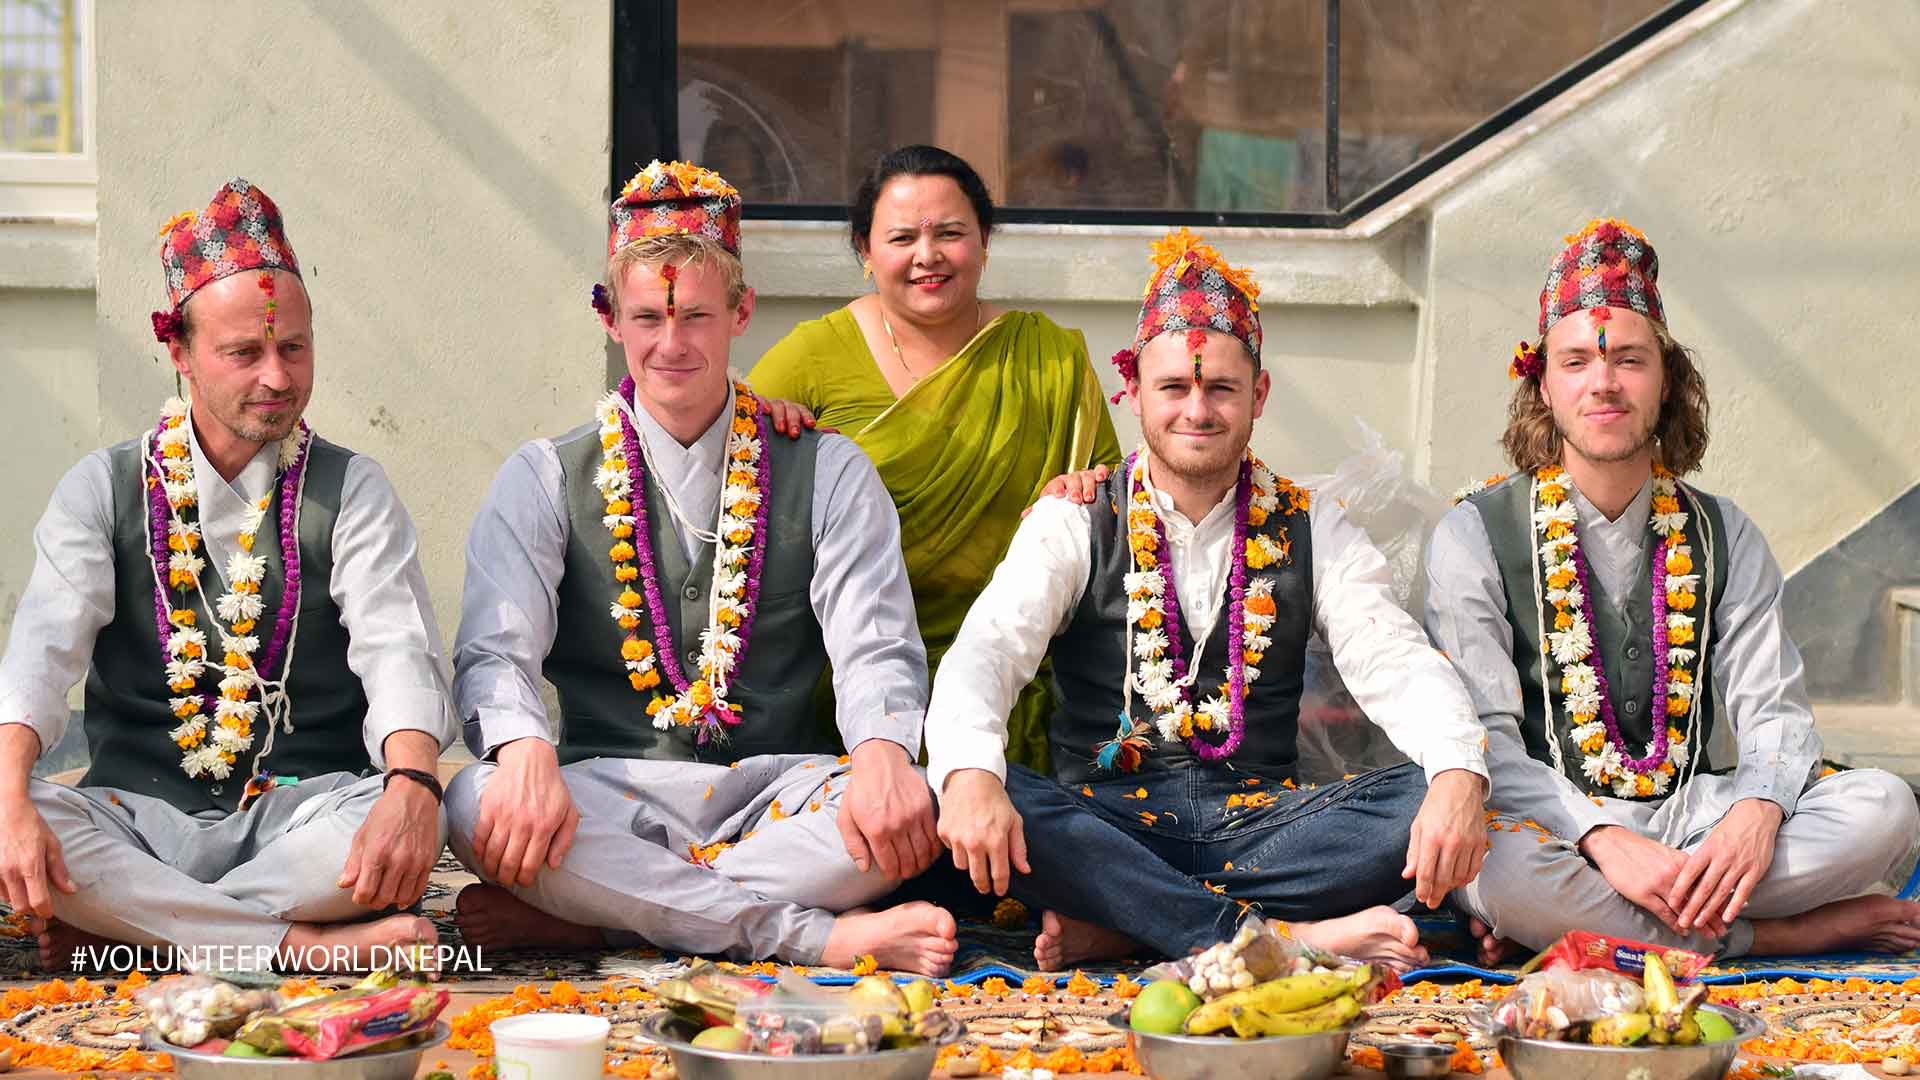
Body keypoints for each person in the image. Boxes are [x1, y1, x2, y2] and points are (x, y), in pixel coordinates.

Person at [926, 228, 1491, 972]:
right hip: (1107, 825)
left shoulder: (1313, 525)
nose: (1197, 409)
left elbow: (1393, 657)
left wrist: (1456, 775)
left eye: (1221, 387)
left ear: (1258, 394)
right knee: (946, 786)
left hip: (1267, 828)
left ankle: (1138, 924)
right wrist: (968, 776)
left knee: (1436, 793)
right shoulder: (1075, 519)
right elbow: (990, 650)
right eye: (1174, 388)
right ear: (1132, 391)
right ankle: (1286, 940)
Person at [445, 160, 958, 975]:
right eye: (647, 317)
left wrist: (885, 757)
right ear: (611, 318)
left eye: (695, 317)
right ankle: (809, 936)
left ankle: (607, 916)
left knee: (913, 808)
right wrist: (527, 755)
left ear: (740, 312)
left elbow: (875, 648)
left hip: (781, 794)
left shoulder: (828, 469)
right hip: (602, 795)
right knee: (475, 802)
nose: (671, 345)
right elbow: (493, 653)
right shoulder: (543, 474)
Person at [1426, 218, 1920, 965]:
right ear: (1544, 387)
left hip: (1695, 819)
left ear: (1667, 381)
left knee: (1885, 807)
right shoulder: (1471, 536)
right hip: (1555, 827)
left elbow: (1773, 710)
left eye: (1629, 359)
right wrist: (1603, 839)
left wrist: (1756, 812)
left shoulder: (1727, 533)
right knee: (1493, 867)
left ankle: (1595, 929)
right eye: (1577, 363)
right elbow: (1487, 739)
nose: (1604, 383)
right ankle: (1780, 933)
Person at [0, 178, 455, 972]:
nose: (276, 378)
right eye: (244, 353)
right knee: (7, 808)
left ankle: (134, 933)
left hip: (302, 817)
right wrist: (9, 800)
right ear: (178, 351)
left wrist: (414, 784)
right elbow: (42, 652)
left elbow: (399, 650)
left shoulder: (352, 489)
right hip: (132, 816)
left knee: (407, 811)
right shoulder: (103, 489)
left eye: (294, 348)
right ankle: (299, 950)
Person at [749, 145, 1121, 772]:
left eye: (951, 233)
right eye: (901, 238)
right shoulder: (809, 359)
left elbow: (1116, 503)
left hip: (1011, 677)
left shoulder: (1047, 359)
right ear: (866, 253)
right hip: (846, 677)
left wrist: (1086, 488)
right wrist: (762, 435)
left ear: (983, 243)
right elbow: (730, 499)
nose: (928, 255)